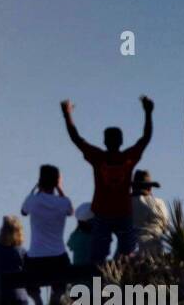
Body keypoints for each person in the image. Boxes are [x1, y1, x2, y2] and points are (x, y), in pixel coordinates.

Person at [61, 96, 154, 264]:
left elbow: (77, 139)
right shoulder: (128, 159)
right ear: (121, 141)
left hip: (102, 212)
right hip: (123, 211)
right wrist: (148, 113)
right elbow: (145, 139)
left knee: (97, 257)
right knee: (128, 255)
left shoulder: (98, 158)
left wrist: (67, 115)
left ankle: (98, 285)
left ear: (105, 141)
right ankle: (125, 285)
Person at [20, 165, 73, 305]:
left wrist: (36, 189)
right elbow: (71, 211)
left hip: (36, 257)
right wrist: (60, 188)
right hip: (58, 256)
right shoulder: (63, 203)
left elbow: (23, 211)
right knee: (64, 278)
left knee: (27, 278)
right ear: (57, 181)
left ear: (40, 181)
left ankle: (37, 302)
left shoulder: (33, 200)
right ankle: (56, 298)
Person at [130, 170, 169, 257]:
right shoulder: (159, 203)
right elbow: (165, 227)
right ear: (150, 188)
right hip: (155, 248)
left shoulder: (124, 204)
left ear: (133, 188)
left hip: (131, 249)